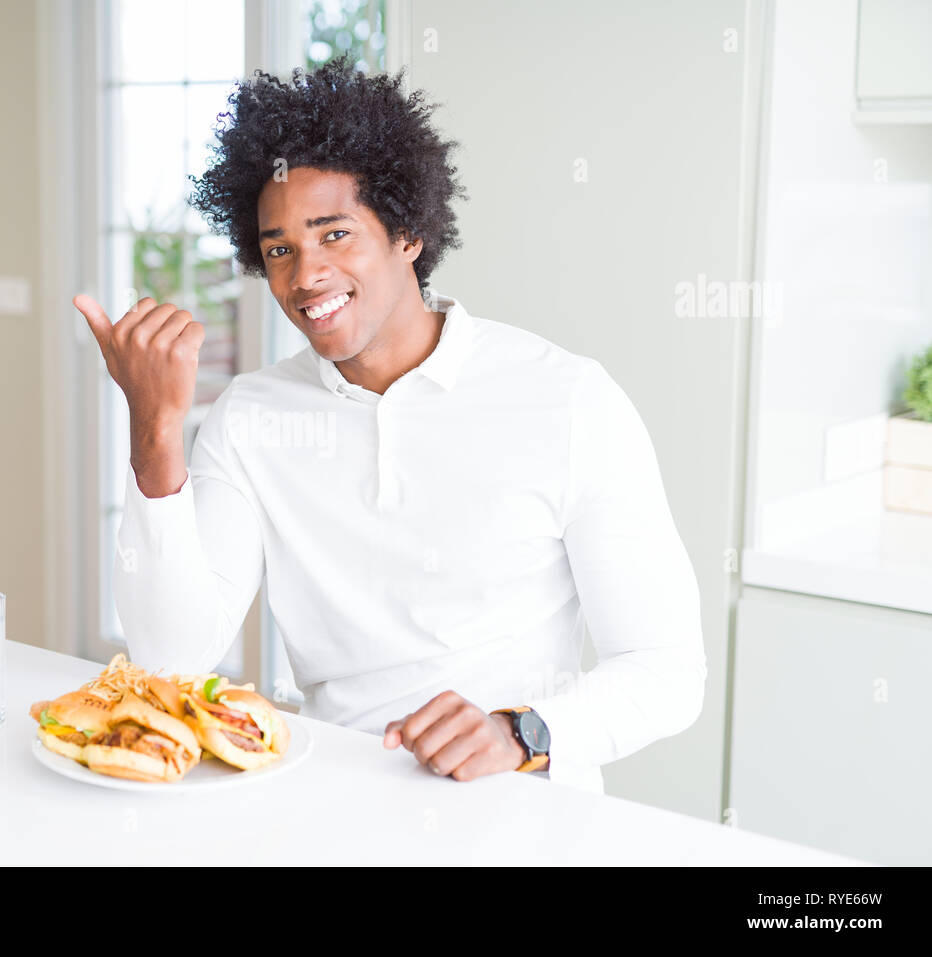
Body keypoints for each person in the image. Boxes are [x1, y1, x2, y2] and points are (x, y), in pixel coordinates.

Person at [72, 55, 705, 793]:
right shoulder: (252, 418)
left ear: (407, 233)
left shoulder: (568, 400)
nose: (305, 274)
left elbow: (667, 671)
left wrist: (520, 731)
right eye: (280, 248)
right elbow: (168, 660)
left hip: (520, 812)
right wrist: (155, 432)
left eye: (335, 233)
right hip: (335, 802)